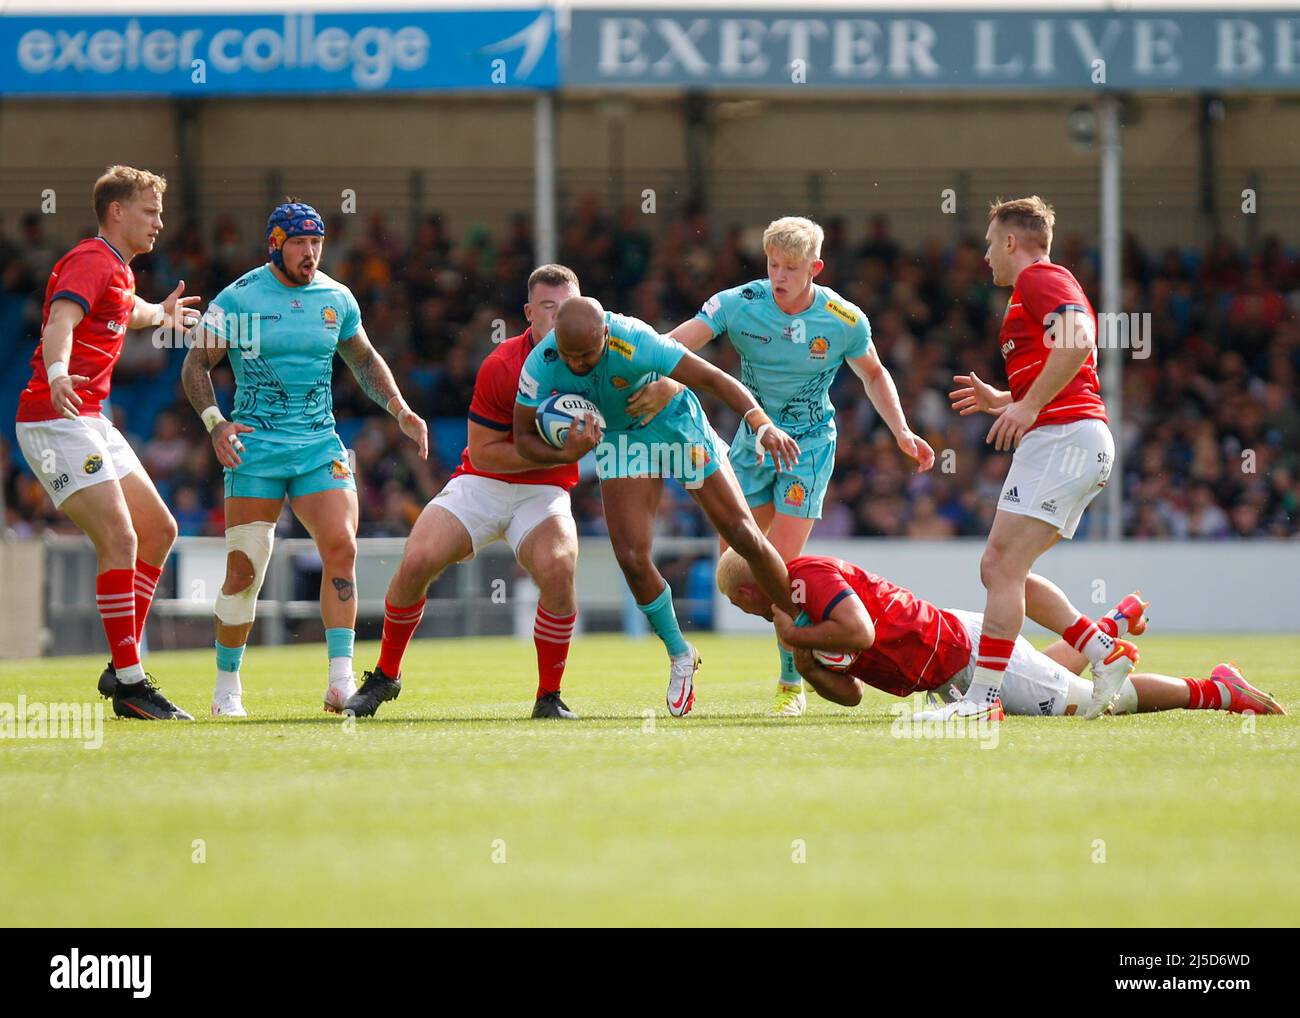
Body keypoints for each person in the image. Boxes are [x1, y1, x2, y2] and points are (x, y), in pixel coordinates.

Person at [345, 264, 678, 720]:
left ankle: (548, 697)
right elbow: (483, 455)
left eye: (568, 307)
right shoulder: (503, 363)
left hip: (543, 495)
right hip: (481, 484)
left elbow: (672, 359)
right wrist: (560, 455)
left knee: (560, 569)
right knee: (418, 557)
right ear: (529, 315)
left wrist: (668, 384)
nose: (560, 317)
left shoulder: (602, 357)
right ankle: (385, 676)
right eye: (548, 308)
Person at [654, 215, 933, 717]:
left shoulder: (844, 319)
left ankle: (792, 680)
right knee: (738, 579)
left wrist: (901, 431)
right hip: (752, 444)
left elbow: (873, 373)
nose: (778, 276)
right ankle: (818, 645)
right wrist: (645, 372)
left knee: (778, 572)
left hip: (808, 449)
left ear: (815, 268)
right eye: (772, 264)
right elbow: (676, 343)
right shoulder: (739, 303)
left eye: (790, 267)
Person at [181, 201, 427, 717]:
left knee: (341, 546)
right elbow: (196, 363)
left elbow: (362, 358)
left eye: (316, 243)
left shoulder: (336, 298)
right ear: (275, 244)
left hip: (319, 446)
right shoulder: (241, 299)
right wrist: (215, 422)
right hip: (257, 448)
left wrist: (400, 409)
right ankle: (227, 686)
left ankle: (340, 683)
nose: (310, 252)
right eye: (299, 243)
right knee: (246, 570)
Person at [512, 296, 801, 717]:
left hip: (674, 425)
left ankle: (804, 634)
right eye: (570, 358)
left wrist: (761, 424)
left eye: (587, 356)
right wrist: (567, 452)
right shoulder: (542, 361)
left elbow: (716, 380)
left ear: (606, 336)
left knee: (743, 535)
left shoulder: (636, 341)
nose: (576, 366)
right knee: (630, 556)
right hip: (621, 440)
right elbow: (522, 439)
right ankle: (680, 654)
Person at [917, 196, 1129, 723]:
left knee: (999, 567)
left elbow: (1079, 341)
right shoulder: (1032, 290)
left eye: (991, 243)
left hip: (1064, 437)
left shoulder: (1039, 278)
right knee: (1007, 572)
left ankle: (982, 700)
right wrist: (1006, 401)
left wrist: (1029, 405)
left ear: (1011, 241)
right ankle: (1104, 650)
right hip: (1068, 436)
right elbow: (1065, 362)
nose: (987, 255)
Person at [15, 165, 199, 720]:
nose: (159, 223)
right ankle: (132, 679)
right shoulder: (91, 260)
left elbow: (130, 310)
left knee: (159, 530)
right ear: (116, 212)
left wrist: (160, 314)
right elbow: (60, 323)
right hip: (55, 416)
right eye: (149, 211)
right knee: (120, 538)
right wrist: (58, 371)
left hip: (91, 418)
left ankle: (122, 667)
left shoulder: (119, 271)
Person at [717, 551, 1286, 718]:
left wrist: (799, 640)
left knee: (1097, 706)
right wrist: (813, 670)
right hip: (949, 663)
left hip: (961, 657)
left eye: (734, 601)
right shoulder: (790, 617)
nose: (739, 611)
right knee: (1042, 670)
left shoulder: (807, 580)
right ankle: (1111, 624)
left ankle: (1216, 689)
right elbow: (853, 693)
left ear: (746, 594)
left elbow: (861, 633)